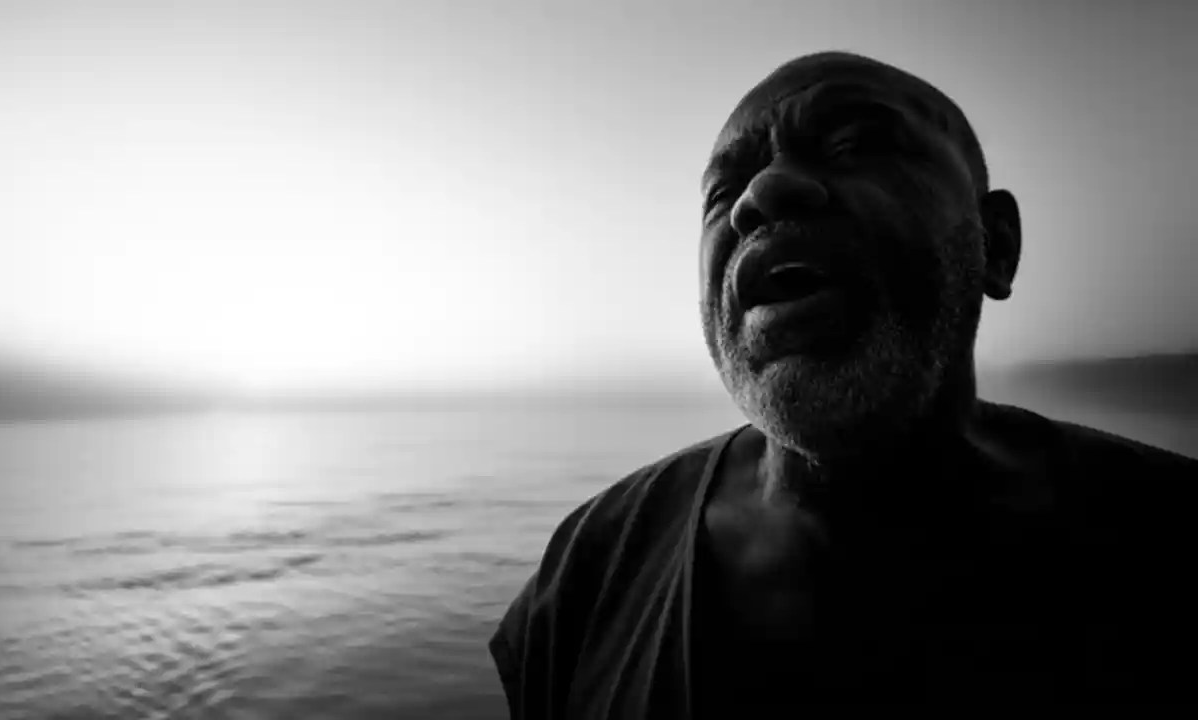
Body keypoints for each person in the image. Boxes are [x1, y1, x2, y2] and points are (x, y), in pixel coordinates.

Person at [488, 51, 1198, 715]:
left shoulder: (1168, 538)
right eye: (722, 191)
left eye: (853, 145)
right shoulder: (591, 567)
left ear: (996, 244)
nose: (760, 197)